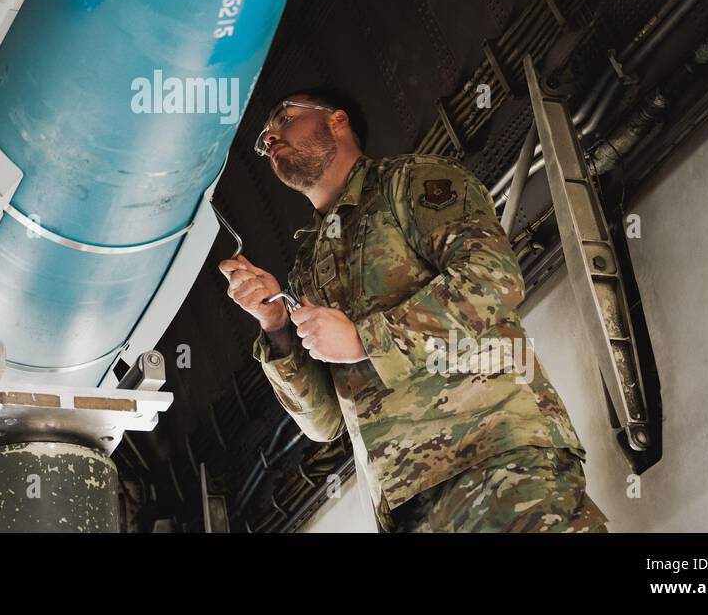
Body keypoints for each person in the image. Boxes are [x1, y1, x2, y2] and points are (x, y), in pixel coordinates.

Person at [219, 86, 607, 532]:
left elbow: (492, 278)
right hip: (407, 505)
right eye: (263, 138)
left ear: (337, 120)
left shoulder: (408, 182)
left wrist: (365, 340)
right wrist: (275, 325)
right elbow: (324, 424)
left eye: (285, 119)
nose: (269, 138)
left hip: (496, 458)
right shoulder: (307, 266)